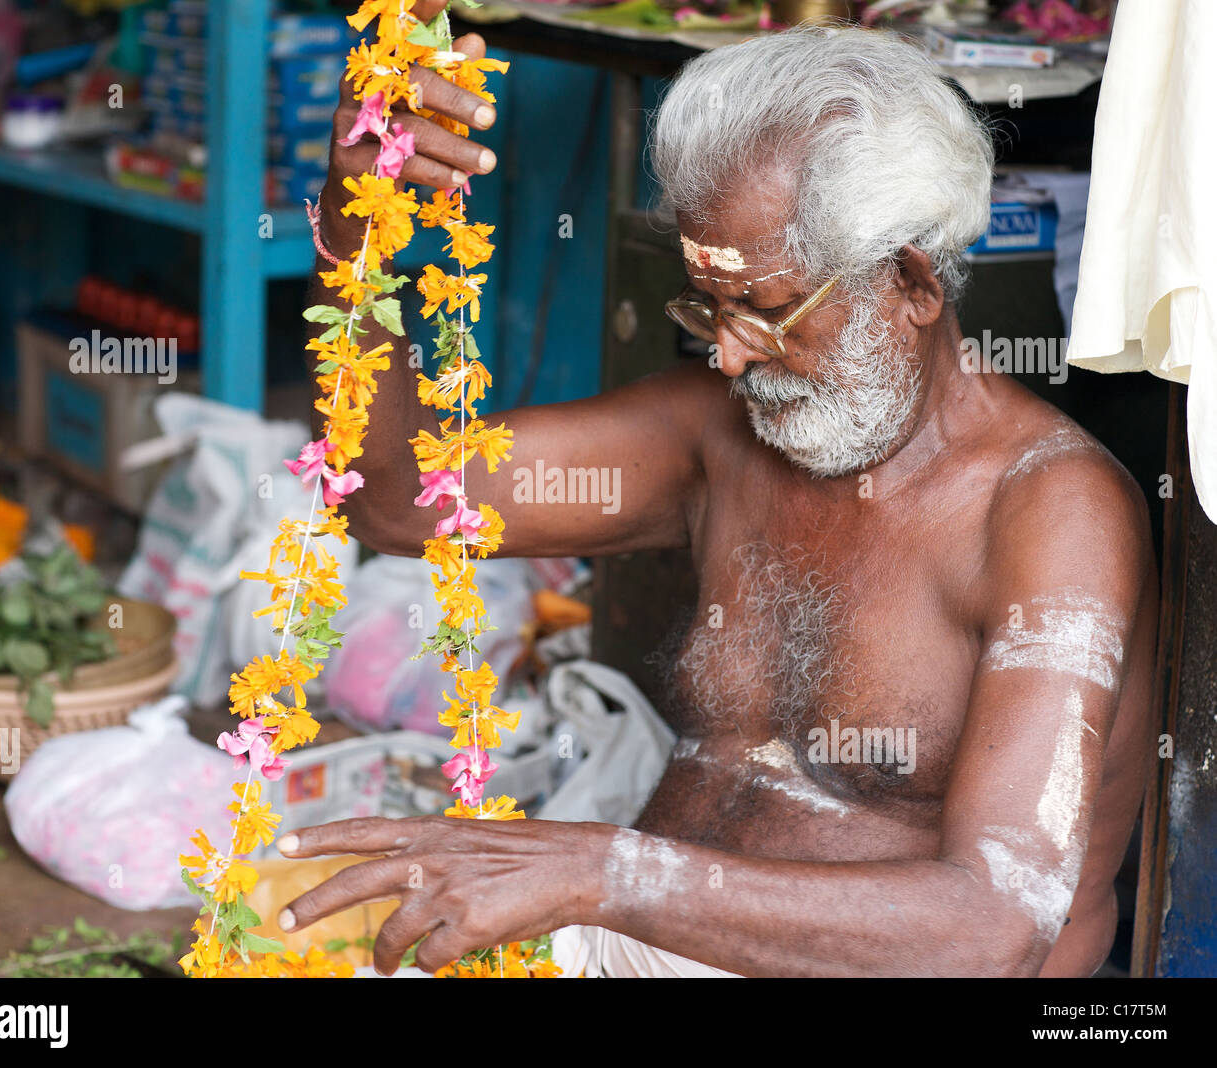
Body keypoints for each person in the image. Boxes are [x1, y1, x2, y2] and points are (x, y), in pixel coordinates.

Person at [277, 11, 1157, 977]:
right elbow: (404, 502)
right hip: (640, 938)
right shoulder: (719, 432)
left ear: (908, 282)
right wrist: (357, 236)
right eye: (708, 307)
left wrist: (601, 869)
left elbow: (991, 928)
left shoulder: (1049, 509)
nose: (729, 353)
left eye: (770, 311)